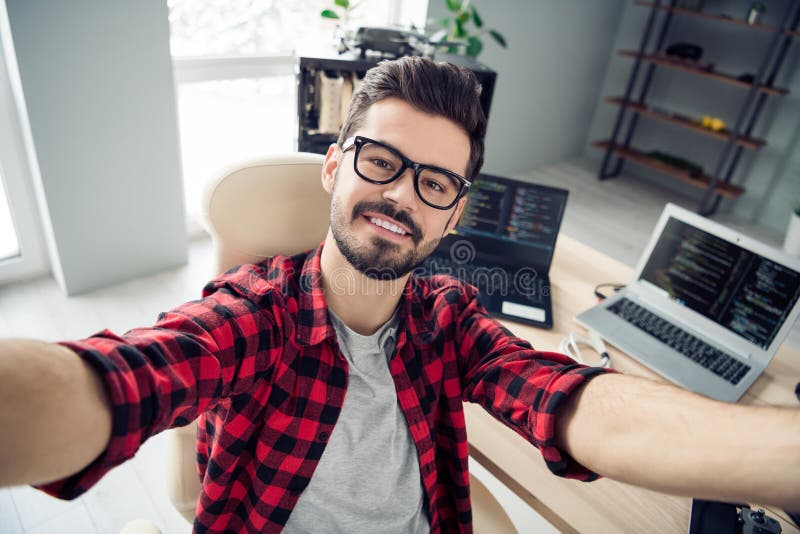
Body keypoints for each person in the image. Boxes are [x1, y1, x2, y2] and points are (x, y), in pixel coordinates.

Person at [0, 56, 798, 533]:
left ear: (453, 215)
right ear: (334, 165)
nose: (400, 197)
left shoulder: (449, 319)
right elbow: (123, 379)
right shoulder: (255, 314)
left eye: (434, 183)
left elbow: (563, 396)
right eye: (380, 161)